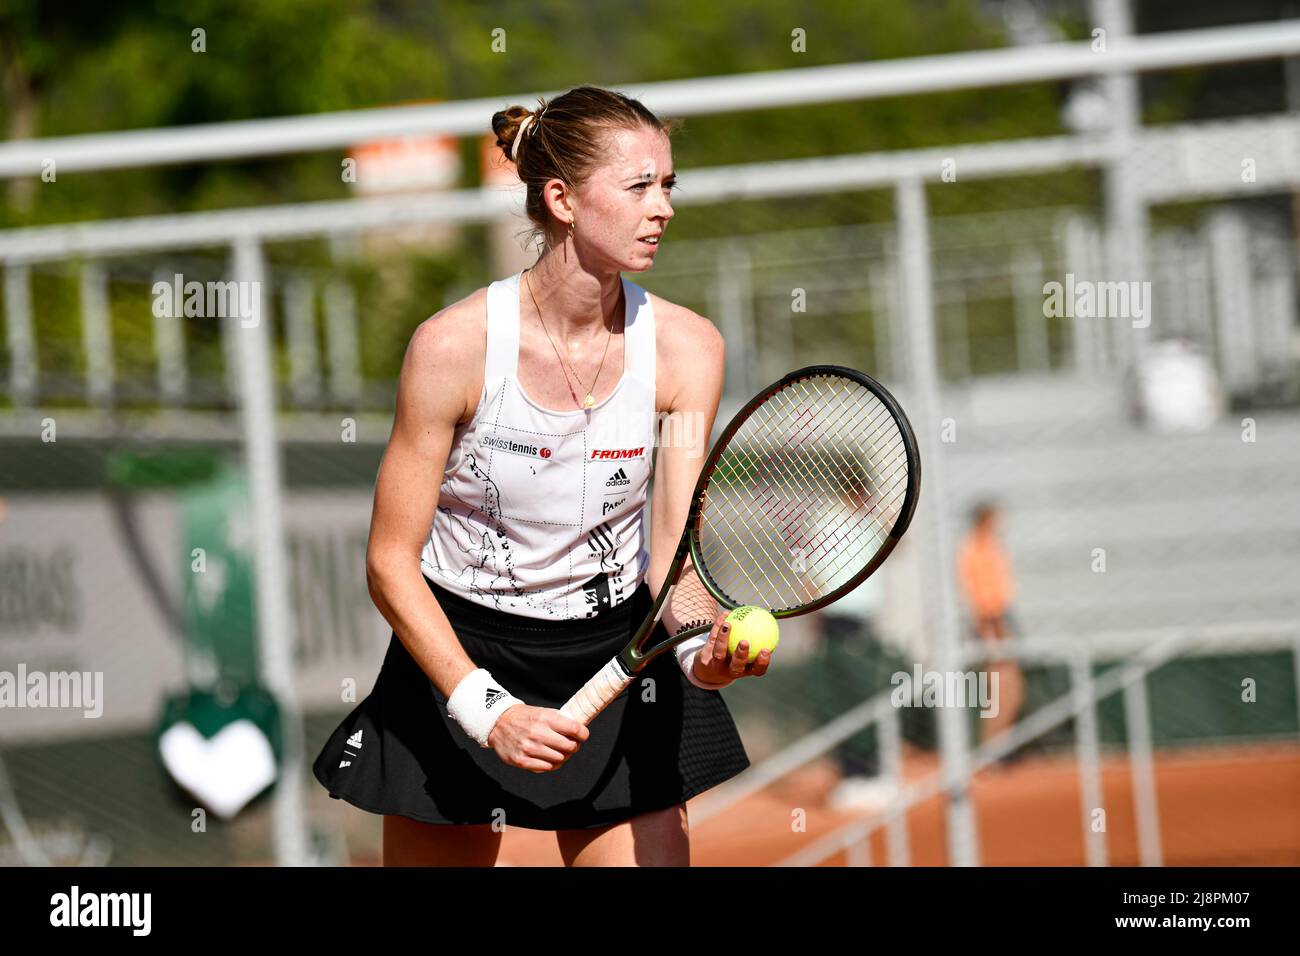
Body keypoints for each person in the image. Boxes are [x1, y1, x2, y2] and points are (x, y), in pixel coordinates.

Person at [313, 86, 770, 867]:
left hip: (618, 660)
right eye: (638, 187)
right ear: (560, 198)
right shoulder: (450, 347)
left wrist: (703, 653)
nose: (662, 208)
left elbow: (670, 558)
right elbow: (390, 562)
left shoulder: (690, 352)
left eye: (668, 186)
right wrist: (486, 709)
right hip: (459, 654)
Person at [956, 500, 1025, 760]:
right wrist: (988, 630)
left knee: (1012, 689)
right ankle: (993, 749)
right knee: (1000, 687)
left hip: (1001, 618)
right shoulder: (972, 549)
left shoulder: (992, 545)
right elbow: (979, 597)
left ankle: (999, 746)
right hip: (990, 621)